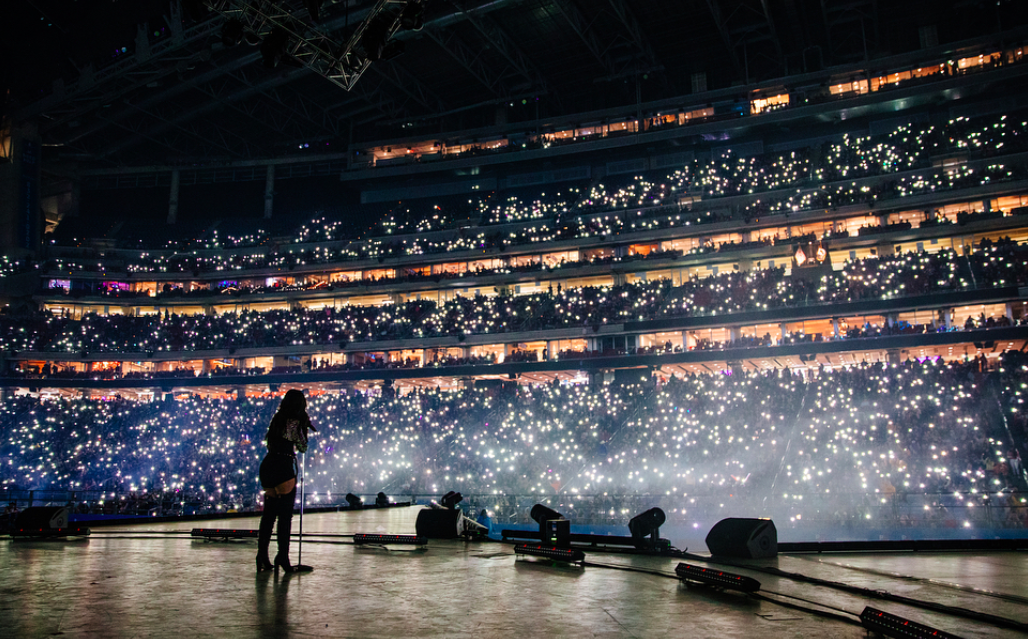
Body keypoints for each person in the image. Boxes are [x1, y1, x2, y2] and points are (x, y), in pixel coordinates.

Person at [256, 389, 316, 573]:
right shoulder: (294, 422)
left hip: (268, 465)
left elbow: (271, 441)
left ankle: (262, 556)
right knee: (284, 517)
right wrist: (304, 426)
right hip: (284, 465)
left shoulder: (277, 419)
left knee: (268, 516)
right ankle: (283, 556)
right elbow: (302, 447)